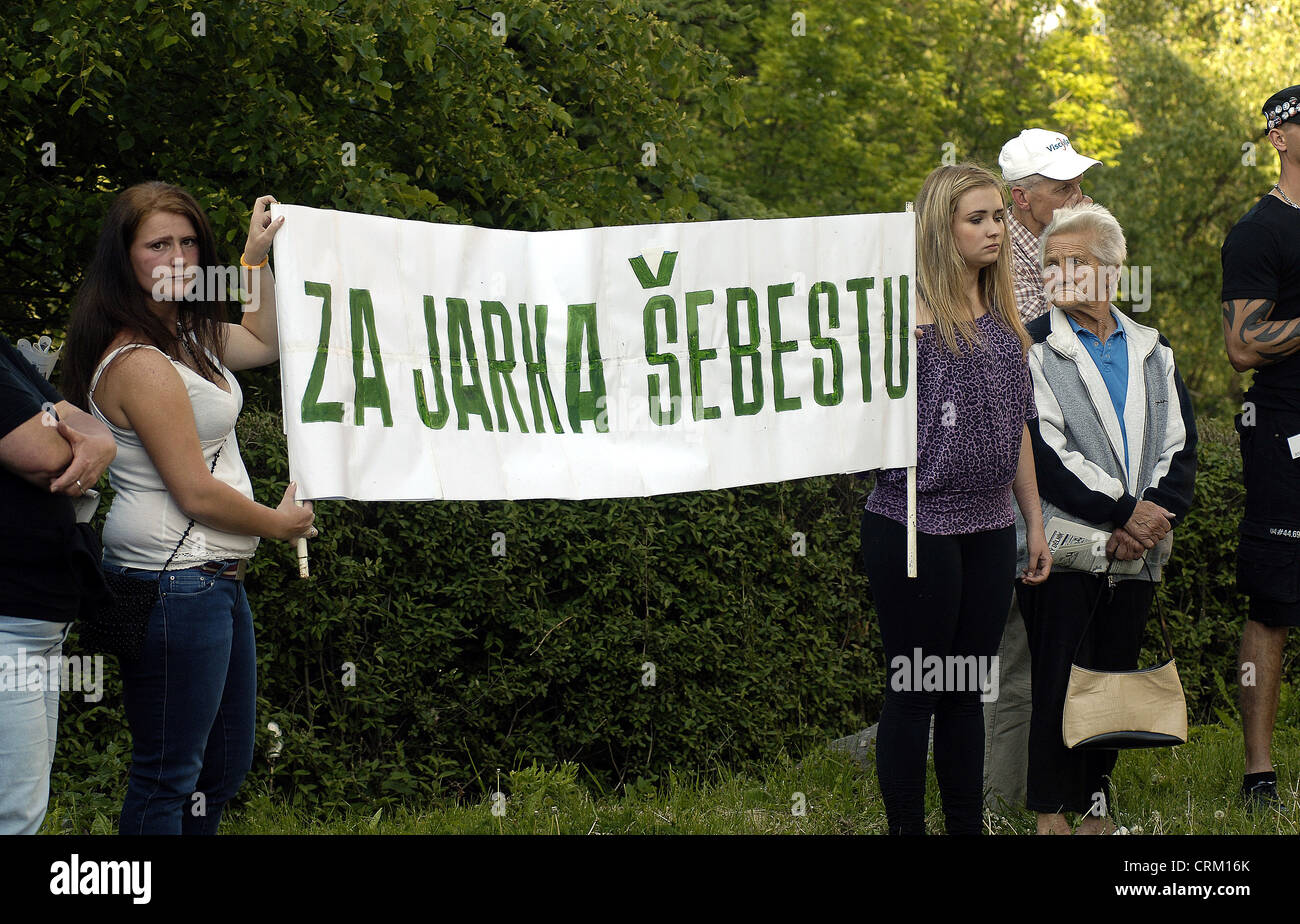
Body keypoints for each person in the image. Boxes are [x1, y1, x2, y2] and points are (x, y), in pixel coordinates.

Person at [62, 183, 317, 835]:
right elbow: (193, 492)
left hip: (212, 580)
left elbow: (264, 340)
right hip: (172, 581)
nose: (177, 256)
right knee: (167, 778)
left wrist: (253, 261)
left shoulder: (185, 332)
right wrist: (279, 524)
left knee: (221, 771)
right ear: (125, 258)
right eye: (158, 245)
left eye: (188, 242)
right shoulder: (139, 360)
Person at [861, 162, 1052, 835]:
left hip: (990, 526)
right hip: (916, 526)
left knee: (967, 692)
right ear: (942, 228)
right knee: (916, 689)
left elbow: (1019, 426)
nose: (996, 229)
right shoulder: (902, 320)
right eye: (979, 218)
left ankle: (967, 828)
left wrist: (1033, 520)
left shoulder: (1006, 321)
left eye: (1000, 215)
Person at [1020, 202, 1197, 834]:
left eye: (1078, 260)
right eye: (1052, 263)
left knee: (1112, 679)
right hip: (1066, 547)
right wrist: (1124, 513)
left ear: (1114, 269)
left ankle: (1095, 808)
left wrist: (1153, 516)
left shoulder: (1154, 349)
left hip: (1139, 550)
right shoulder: (1034, 347)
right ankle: (1048, 812)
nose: (1062, 272)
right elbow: (1046, 454)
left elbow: (1180, 447)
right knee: (1059, 679)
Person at [983, 128, 1101, 812]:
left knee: (1062, 638)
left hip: (1061, 474)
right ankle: (1004, 800)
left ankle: (1061, 794)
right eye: (1063, 187)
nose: (1078, 194)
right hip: (1012, 475)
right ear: (1021, 197)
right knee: (1014, 644)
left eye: (1079, 182)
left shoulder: (1065, 251)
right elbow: (1032, 354)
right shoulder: (998, 261)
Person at [0, 334, 116, 834]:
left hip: (37, 627)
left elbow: (88, 426)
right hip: (9, 627)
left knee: (26, 806)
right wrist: (73, 431)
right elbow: (48, 453)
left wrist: (100, 439)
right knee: (16, 815)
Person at [1221, 84, 1300, 810]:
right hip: (1286, 437)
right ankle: (1259, 773)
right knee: (1275, 602)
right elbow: (1242, 344)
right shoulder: (1260, 231)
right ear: (1278, 136)